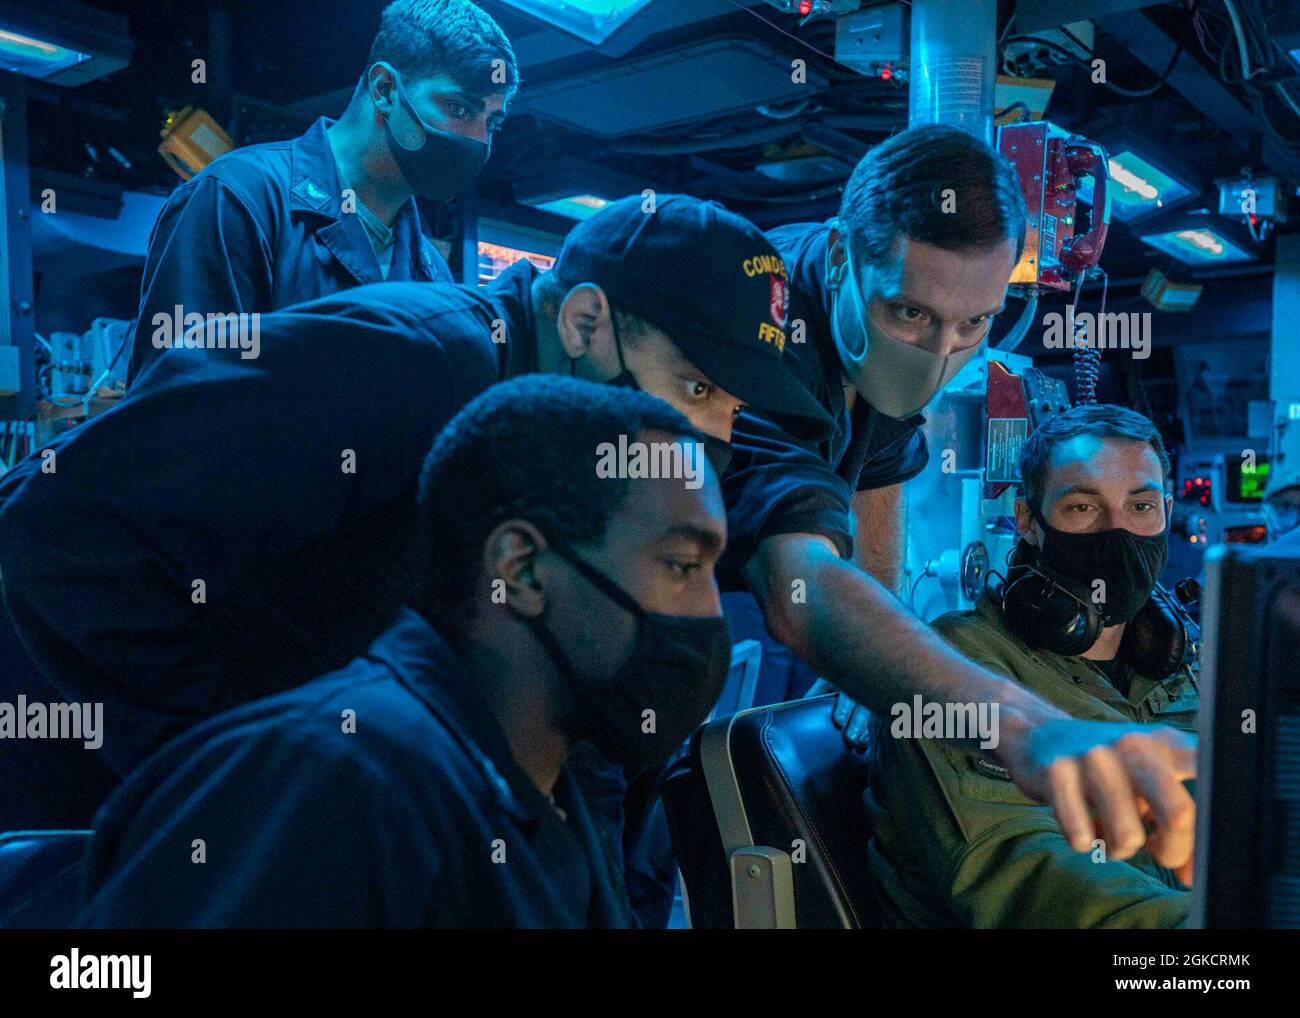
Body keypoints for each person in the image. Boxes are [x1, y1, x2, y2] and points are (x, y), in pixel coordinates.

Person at [0, 195, 828, 783]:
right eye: (694, 390)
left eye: (731, 405)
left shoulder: (563, 417)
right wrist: (233, 757)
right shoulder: (411, 366)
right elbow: (61, 528)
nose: (713, 436)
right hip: (69, 744)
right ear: (582, 323)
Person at [707, 125, 1197, 880]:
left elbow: (875, 483)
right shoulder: (764, 330)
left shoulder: (889, 319)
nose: (941, 353)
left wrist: (868, 671)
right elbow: (797, 587)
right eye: (912, 316)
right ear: (841, 259)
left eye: (975, 323)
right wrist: (1023, 727)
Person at [77, 375, 729, 927]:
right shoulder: (335, 776)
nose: (711, 615)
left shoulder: (554, 786)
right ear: (523, 570)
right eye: (678, 565)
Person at [866, 404, 1196, 928]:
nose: (1120, 531)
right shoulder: (956, 670)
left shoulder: (1190, 659)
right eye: (1083, 508)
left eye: (1141, 506)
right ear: (1029, 522)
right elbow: (1029, 877)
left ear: (1167, 513)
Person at [125, 0, 517, 383]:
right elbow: (173, 412)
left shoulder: (432, 272)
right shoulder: (239, 198)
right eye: (460, 109)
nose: (479, 141)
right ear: (384, 88)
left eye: (492, 124)